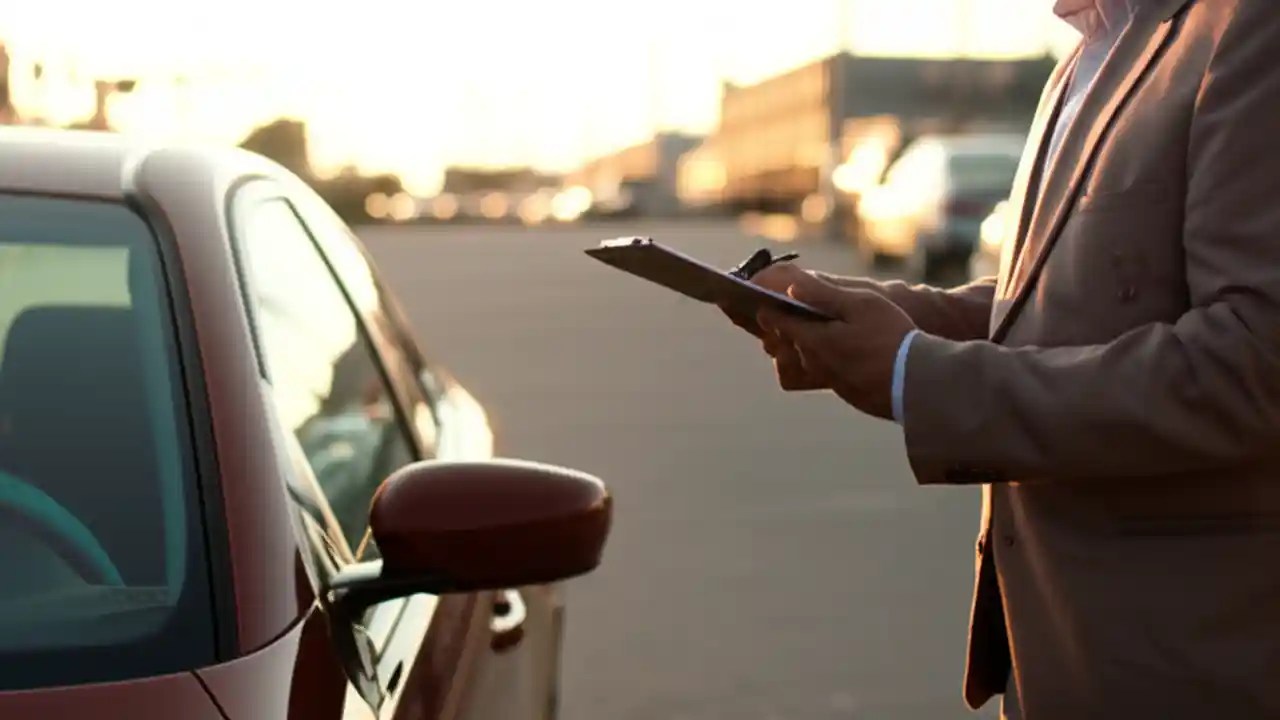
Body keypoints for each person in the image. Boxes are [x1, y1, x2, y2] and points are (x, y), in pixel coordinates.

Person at [721, 1, 1280, 718]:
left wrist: (914, 372)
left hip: (1185, 661)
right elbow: (1060, 298)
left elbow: (1252, 360)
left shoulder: (1248, 25)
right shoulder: (1091, 52)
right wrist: (872, 314)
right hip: (1056, 647)